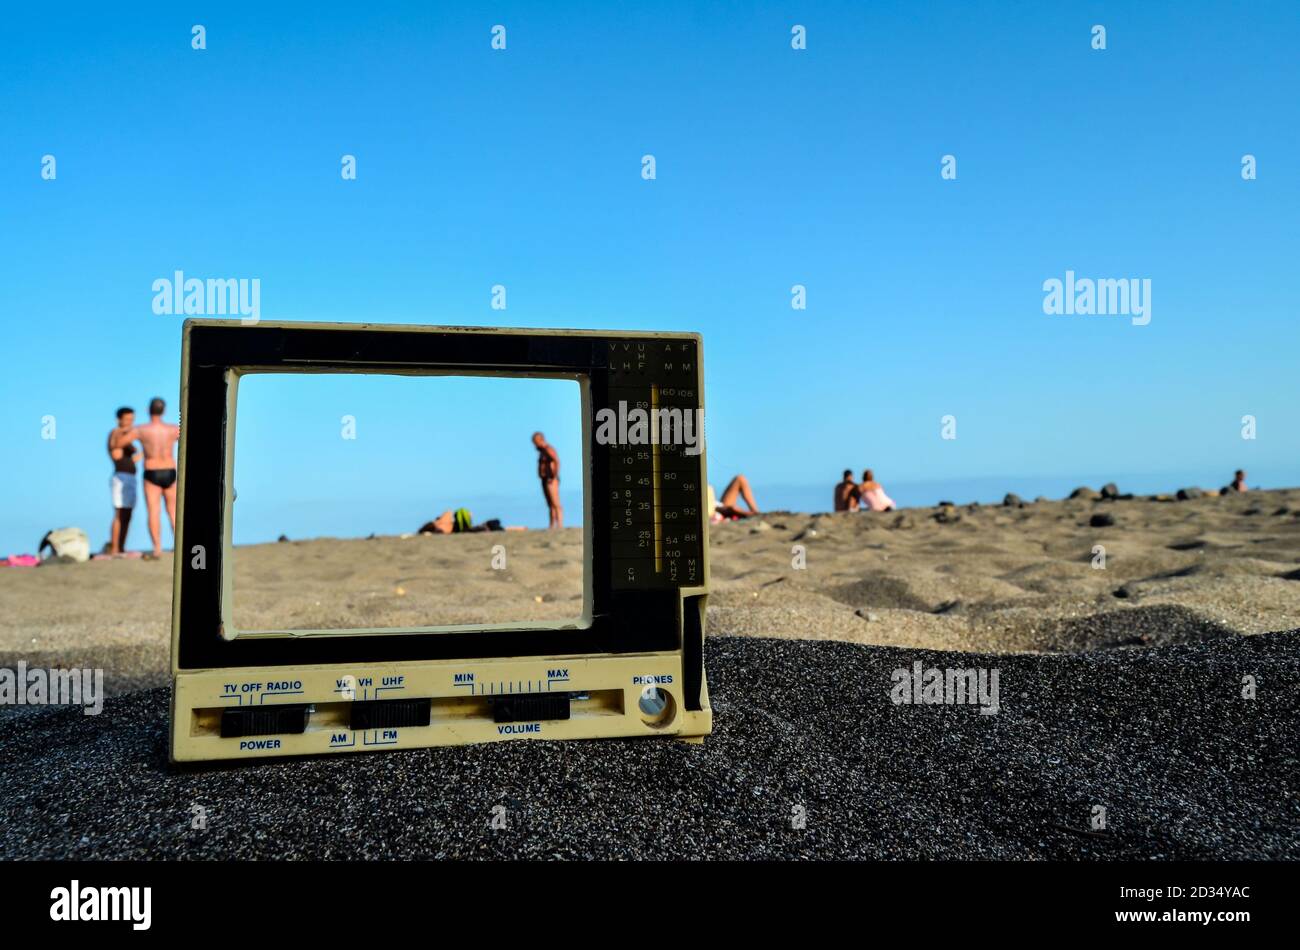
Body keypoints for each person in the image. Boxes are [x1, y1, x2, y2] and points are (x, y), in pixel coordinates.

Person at [133, 397, 180, 559]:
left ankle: (157, 548)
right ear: (164, 411)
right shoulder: (173, 429)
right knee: (173, 510)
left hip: (152, 470)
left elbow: (119, 442)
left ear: (148, 410)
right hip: (169, 469)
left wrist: (138, 452)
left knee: (154, 511)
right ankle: (178, 546)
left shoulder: (141, 430)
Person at [106, 407, 139, 555]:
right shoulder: (116, 433)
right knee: (120, 513)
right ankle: (114, 548)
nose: (129, 423)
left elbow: (133, 458)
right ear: (119, 420)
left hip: (131, 477)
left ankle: (121, 547)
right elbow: (115, 452)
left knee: (128, 514)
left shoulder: (129, 436)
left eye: (131, 419)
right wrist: (126, 433)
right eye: (127, 420)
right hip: (121, 477)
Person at [533, 431, 562, 529]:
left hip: (551, 478)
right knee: (550, 504)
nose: (534, 444)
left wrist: (554, 476)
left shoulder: (548, 449)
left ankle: (560, 525)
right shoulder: (542, 452)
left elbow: (556, 461)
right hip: (544, 479)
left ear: (540, 440)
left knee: (555, 502)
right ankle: (552, 525)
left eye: (535, 442)